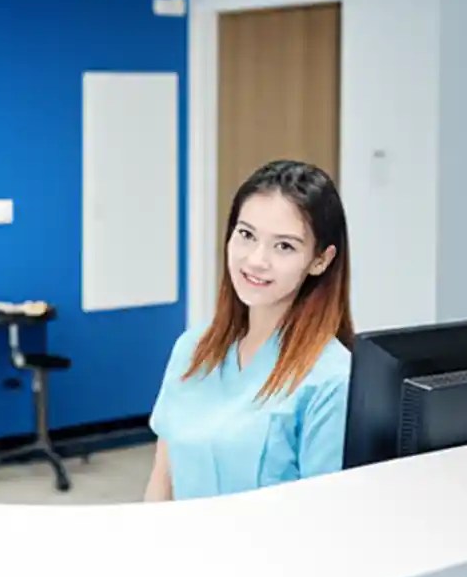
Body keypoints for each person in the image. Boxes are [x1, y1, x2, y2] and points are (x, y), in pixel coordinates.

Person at [144, 159, 354, 502]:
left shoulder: (331, 378)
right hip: (181, 550)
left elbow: (323, 518)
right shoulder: (192, 349)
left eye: (284, 245)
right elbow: (162, 480)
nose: (256, 260)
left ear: (321, 260)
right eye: (246, 235)